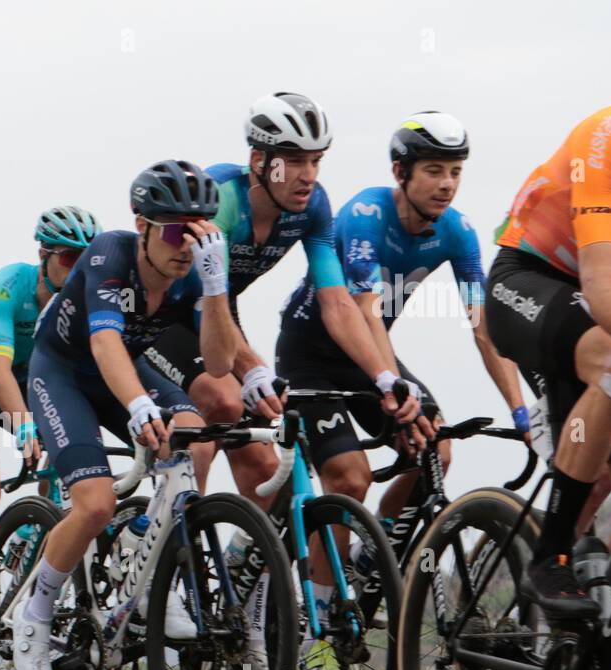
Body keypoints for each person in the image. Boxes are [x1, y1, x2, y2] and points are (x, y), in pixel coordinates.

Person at [276, 112, 527, 656]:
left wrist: (522, 410)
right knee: (348, 475)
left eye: (455, 171)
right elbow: (364, 312)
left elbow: (485, 329)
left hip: (369, 359)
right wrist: (390, 385)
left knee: (437, 447)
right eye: (434, 170)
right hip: (312, 356)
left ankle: (372, 559)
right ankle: (319, 625)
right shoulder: (366, 213)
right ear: (401, 172)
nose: (446, 183)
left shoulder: (457, 232)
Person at [14, 160, 239, 670]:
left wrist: (216, 285)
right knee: (94, 503)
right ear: (143, 225)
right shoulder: (110, 253)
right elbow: (103, 341)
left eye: (201, 232)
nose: (188, 245)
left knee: (196, 440)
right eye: (177, 231)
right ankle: (36, 613)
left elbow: (221, 361)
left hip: (122, 371)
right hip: (64, 373)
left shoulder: (193, 276)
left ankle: (152, 560)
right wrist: (138, 406)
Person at [144, 93, 424, 503]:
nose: (308, 175)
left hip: (219, 312)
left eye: (316, 160)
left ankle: (249, 555)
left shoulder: (311, 208)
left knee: (266, 470)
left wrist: (383, 376)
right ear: (260, 160)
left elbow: (337, 303)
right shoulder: (221, 197)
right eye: (294, 161)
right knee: (221, 399)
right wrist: (254, 367)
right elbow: (207, 303)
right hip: (164, 314)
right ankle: (175, 543)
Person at [484, 105, 611, 670]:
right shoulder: (606, 139)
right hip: (530, 286)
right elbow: (601, 291)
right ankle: (550, 557)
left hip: (603, 321)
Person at [0, 206, 100, 670]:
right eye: (69, 259)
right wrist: (25, 426)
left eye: (86, 260)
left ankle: (37, 536)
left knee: (68, 458)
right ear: (44, 255)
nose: (78, 270)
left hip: (34, 381)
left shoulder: (84, 301)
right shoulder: (9, 285)